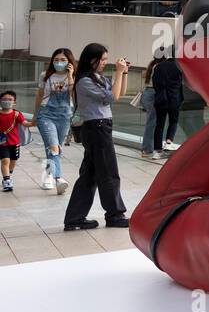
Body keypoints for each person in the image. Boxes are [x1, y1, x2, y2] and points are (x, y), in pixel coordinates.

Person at [63, 43, 130, 231]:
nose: (104, 63)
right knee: (108, 172)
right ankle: (115, 215)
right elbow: (112, 98)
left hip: (100, 127)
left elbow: (119, 93)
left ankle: (75, 218)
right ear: (91, 59)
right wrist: (117, 73)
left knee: (89, 175)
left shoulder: (97, 78)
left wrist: (123, 73)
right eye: (102, 59)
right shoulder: (84, 81)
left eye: (106, 59)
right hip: (96, 128)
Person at [33, 47, 76, 193]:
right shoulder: (45, 75)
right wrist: (34, 116)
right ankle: (59, 178)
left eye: (63, 60)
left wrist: (70, 75)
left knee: (55, 148)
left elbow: (73, 94)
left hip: (64, 116)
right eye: (56, 60)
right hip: (46, 114)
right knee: (53, 146)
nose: (59, 63)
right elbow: (39, 95)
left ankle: (48, 176)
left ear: (70, 62)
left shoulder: (74, 77)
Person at [148, 45, 183, 158]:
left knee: (159, 125)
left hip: (160, 99)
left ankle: (157, 151)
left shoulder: (158, 67)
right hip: (174, 99)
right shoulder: (179, 66)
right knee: (173, 121)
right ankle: (169, 141)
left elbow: (155, 84)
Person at [0, 91, 29, 193]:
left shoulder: (17, 114)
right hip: (2, 144)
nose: (6, 101)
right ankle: (7, 181)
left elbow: (24, 123)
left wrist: (33, 123)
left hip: (14, 143)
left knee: (13, 161)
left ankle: (8, 174)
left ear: (14, 102)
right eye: (4, 99)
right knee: (5, 161)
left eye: (9, 100)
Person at [138, 53, 161, 160]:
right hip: (153, 93)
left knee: (151, 122)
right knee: (152, 123)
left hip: (148, 93)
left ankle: (147, 148)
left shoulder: (152, 65)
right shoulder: (158, 67)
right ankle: (147, 149)